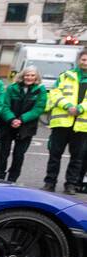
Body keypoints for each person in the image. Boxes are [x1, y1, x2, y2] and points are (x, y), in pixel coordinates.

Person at [43, 47, 87, 193]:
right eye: (83, 59)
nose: (85, 62)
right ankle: (50, 182)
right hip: (62, 122)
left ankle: (70, 185)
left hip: (82, 125)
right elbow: (54, 94)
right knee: (55, 155)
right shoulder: (65, 76)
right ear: (79, 60)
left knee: (77, 158)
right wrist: (67, 105)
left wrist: (80, 108)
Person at [0, 67, 47, 184]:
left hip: (26, 127)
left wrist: (21, 120)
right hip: (7, 124)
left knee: (19, 155)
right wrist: (12, 119)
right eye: (27, 75)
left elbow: (38, 109)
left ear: (37, 77)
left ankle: (12, 179)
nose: (29, 78)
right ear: (22, 76)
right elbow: (4, 105)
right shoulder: (12, 88)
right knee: (3, 153)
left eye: (32, 75)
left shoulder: (40, 90)